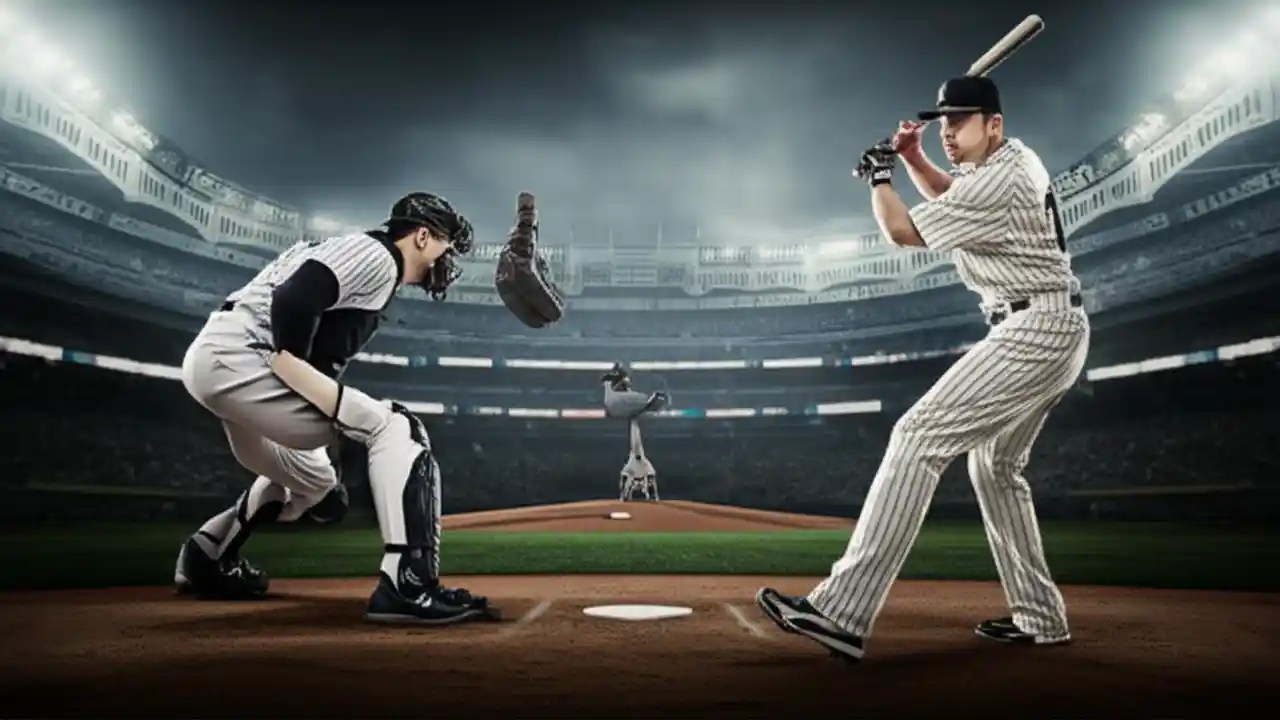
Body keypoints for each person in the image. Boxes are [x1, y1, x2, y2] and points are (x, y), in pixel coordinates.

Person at [756, 76, 1089, 661]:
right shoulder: (1011, 160)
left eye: (959, 122)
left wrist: (879, 176)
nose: (948, 135)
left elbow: (903, 230)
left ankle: (842, 612)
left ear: (994, 125)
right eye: (942, 123)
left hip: (1036, 328)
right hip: (1052, 324)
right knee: (996, 467)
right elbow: (949, 199)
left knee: (917, 437)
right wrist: (913, 158)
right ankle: (1041, 617)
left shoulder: (1001, 179)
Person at [174, 190, 561, 624]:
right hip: (246, 360)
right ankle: (409, 584)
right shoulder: (377, 255)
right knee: (397, 427)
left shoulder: (363, 260)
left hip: (224, 360)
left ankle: (207, 554)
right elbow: (296, 300)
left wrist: (305, 379)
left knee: (317, 481)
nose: (445, 261)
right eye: (443, 246)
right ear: (420, 237)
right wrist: (290, 364)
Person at [601, 363, 668, 501]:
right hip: (635, 460)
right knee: (637, 472)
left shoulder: (626, 393)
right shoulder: (617, 391)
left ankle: (643, 496)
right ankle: (638, 496)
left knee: (639, 471)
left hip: (637, 459)